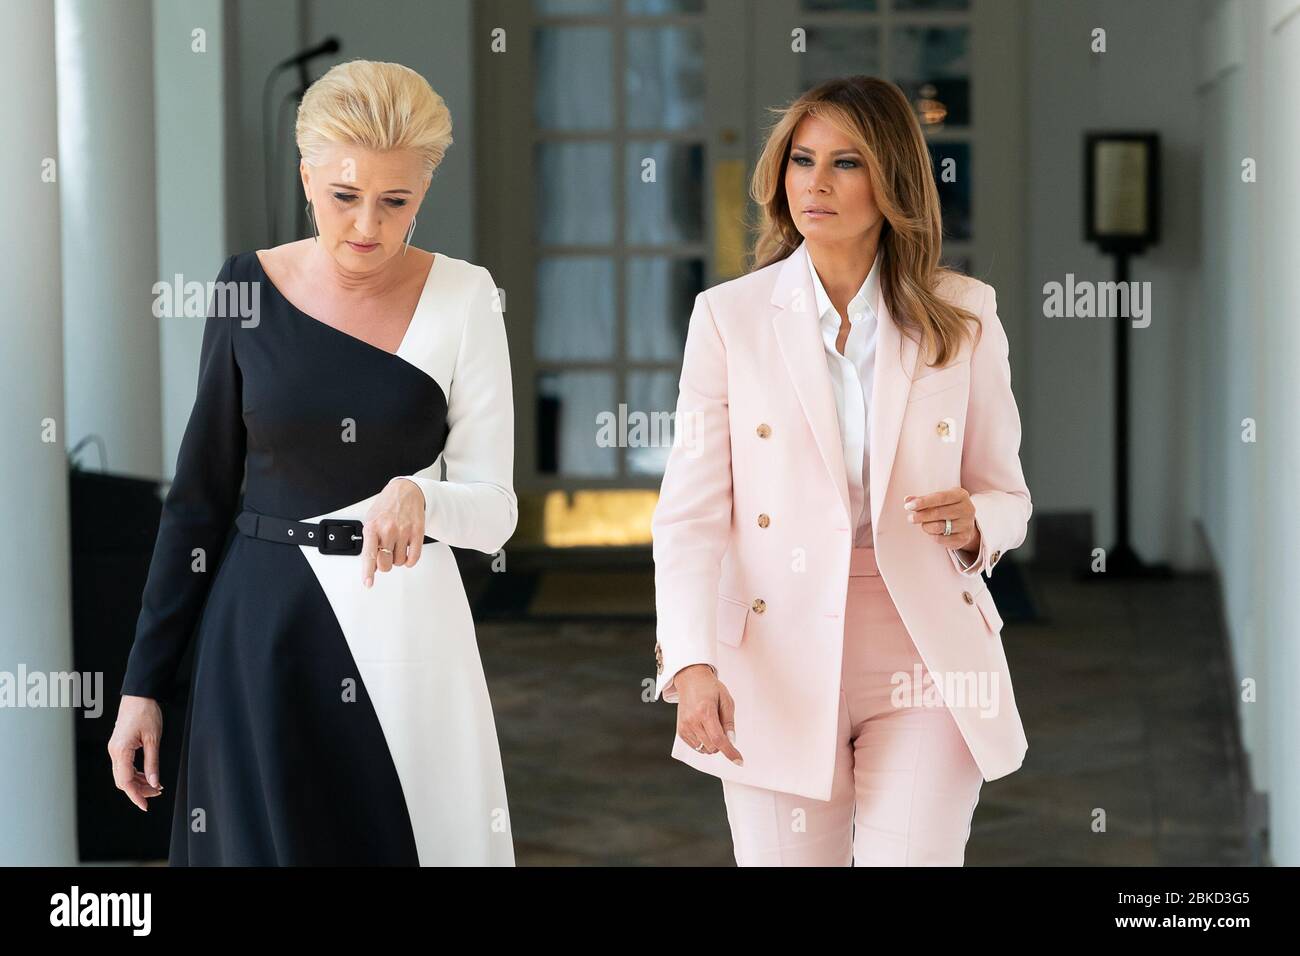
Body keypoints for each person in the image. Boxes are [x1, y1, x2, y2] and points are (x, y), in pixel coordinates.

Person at [108, 60, 517, 865]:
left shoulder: (467, 296)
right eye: (344, 195)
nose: (367, 224)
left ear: (423, 193)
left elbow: (496, 507)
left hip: (408, 633)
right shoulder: (244, 288)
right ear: (307, 177)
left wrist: (422, 498)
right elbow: (197, 499)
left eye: (395, 201)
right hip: (259, 633)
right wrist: (141, 685)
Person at [651, 75, 1032, 866]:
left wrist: (977, 523)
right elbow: (688, 515)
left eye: (846, 163)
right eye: (801, 159)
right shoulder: (729, 319)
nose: (815, 184)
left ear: (892, 179)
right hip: (772, 656)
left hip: (925, 652)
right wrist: (690, 662)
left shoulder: (963, 314)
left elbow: (1008, 493)